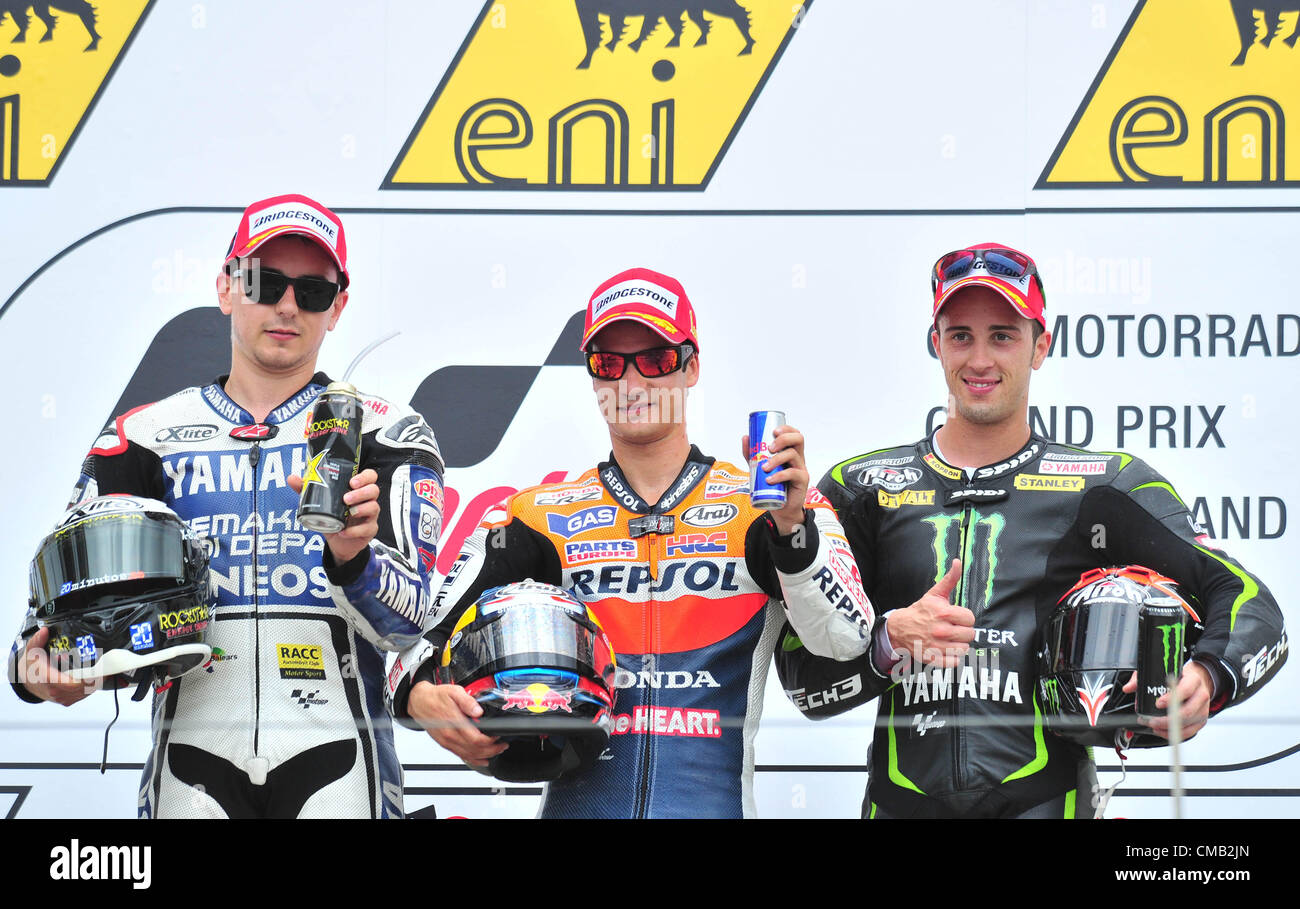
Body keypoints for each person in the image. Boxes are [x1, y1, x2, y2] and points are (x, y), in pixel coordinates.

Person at [777, 243, 1288, 819]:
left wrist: (1208, 675)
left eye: (1003, 335)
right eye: (960, 335)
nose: (979, 359)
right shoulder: (861, 488)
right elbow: (802, 680)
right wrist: (889, 643)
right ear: (935, 343)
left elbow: (1249, 601)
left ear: (1041, 345)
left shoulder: (1102, 486)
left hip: (1048, 804)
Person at [8, 194, 444, 818]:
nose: (287, 306)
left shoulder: (384, 433)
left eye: (313, 292)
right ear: (225, 286)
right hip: (189, 757)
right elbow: (62, 623)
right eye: (263, 283)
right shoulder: (141, 438)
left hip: (345, 763)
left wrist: (352, 558)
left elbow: (411, 625)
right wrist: (45, 666)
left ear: (338, 307)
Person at [386, 267, 873, 818]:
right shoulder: (540, 515)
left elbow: (846, 639)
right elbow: (411, 637)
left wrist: (791, 531)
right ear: (592, 376)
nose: (632, 383)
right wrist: (421, 698)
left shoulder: (768, 506)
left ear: (692, 368)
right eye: (610, 364)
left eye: (656, 360)